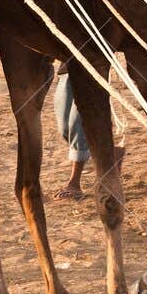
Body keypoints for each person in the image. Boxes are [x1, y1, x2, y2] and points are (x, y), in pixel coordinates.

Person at [53, 65, 124, 199]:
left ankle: (74, 183)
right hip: (66, 68)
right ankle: (110, 154)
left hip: (91, 64)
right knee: (64, 127)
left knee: (78, 121)